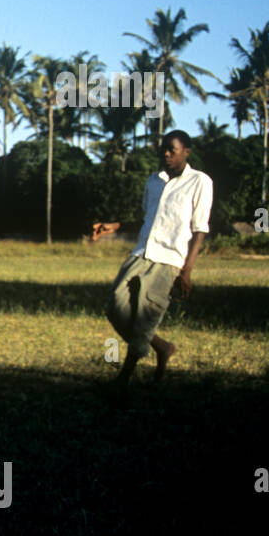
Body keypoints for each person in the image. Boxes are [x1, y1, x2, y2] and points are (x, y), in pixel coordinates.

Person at [106, 130, 212, 387]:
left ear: (186, 151)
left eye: (171, 150)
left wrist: (186, 272)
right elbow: (148, 218)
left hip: (168, 260)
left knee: (145, 318)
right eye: (163, 149)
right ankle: (162, 347)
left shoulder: (200, 182)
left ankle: (123, 381)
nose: (165, 154)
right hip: (141, 252)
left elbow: (200, 230)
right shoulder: (153, 181)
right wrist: (114, 226)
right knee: (114, 308)